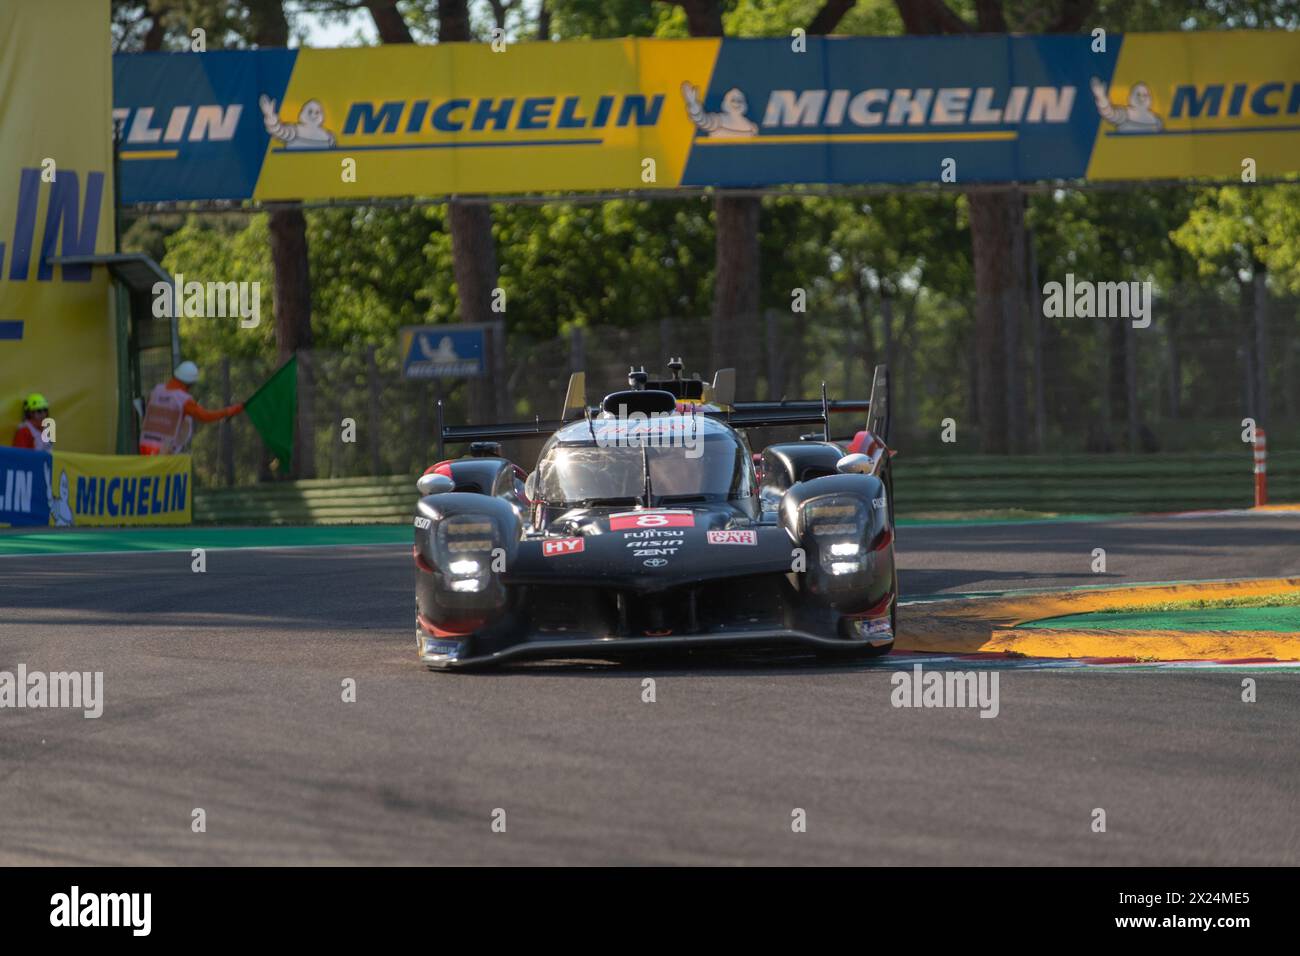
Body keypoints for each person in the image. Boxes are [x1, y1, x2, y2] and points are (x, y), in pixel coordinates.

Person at [139, 361, 243, 455]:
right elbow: (205, 416)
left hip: (144, 445)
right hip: (162, 451)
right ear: (190, 383)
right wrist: (229, 411)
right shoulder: (183, 399)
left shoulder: (156, 390)